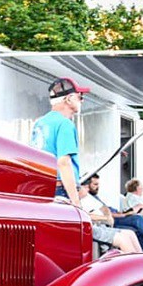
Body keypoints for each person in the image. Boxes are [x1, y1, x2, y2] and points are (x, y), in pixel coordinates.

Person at [30, 77, 90, 207]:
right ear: (68, 99)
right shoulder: (65, 124)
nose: (82, 101)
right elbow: (63, 163)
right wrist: (76, 201)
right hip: (60, 189)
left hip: (42, 186)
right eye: (80, 97)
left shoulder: (39, 123)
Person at [83, 174, 143, 252]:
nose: (98, 187)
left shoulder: (94, 197)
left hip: (116, 214)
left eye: (98, 184)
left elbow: (105, 209)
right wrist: (121, 215)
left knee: (142, 221)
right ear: (87, 185)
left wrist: (119, 213)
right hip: (114, 218)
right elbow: (102, 214)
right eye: (95, 184)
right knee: (137, 219)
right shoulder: (87, 199)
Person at [78, 182, 142, 253]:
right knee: (123, 238)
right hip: (91, 228)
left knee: (130, 233)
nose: (88, 189)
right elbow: (85, 216)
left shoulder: (88, 198)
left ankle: (142, 261)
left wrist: (108, 216)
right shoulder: (76, 201)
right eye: (85, 187)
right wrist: (105, 218)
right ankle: (135, 263)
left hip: (103, 224)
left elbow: (104, 208)